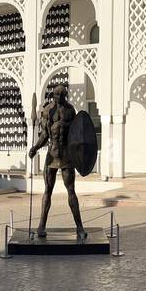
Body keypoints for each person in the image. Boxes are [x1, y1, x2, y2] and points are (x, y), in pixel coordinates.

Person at [28, 86, 86, 240]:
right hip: (52, 155)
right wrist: (35, 147)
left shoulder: (70, 110)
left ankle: (79, 227)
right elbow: (44, 135)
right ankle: (41, 225)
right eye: (55, 95)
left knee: (71, 190)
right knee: (48, 190)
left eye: (60, 95)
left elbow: (76, 134)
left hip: (67, 156)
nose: (57, 98)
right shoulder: (48, 110)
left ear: (65, 95)